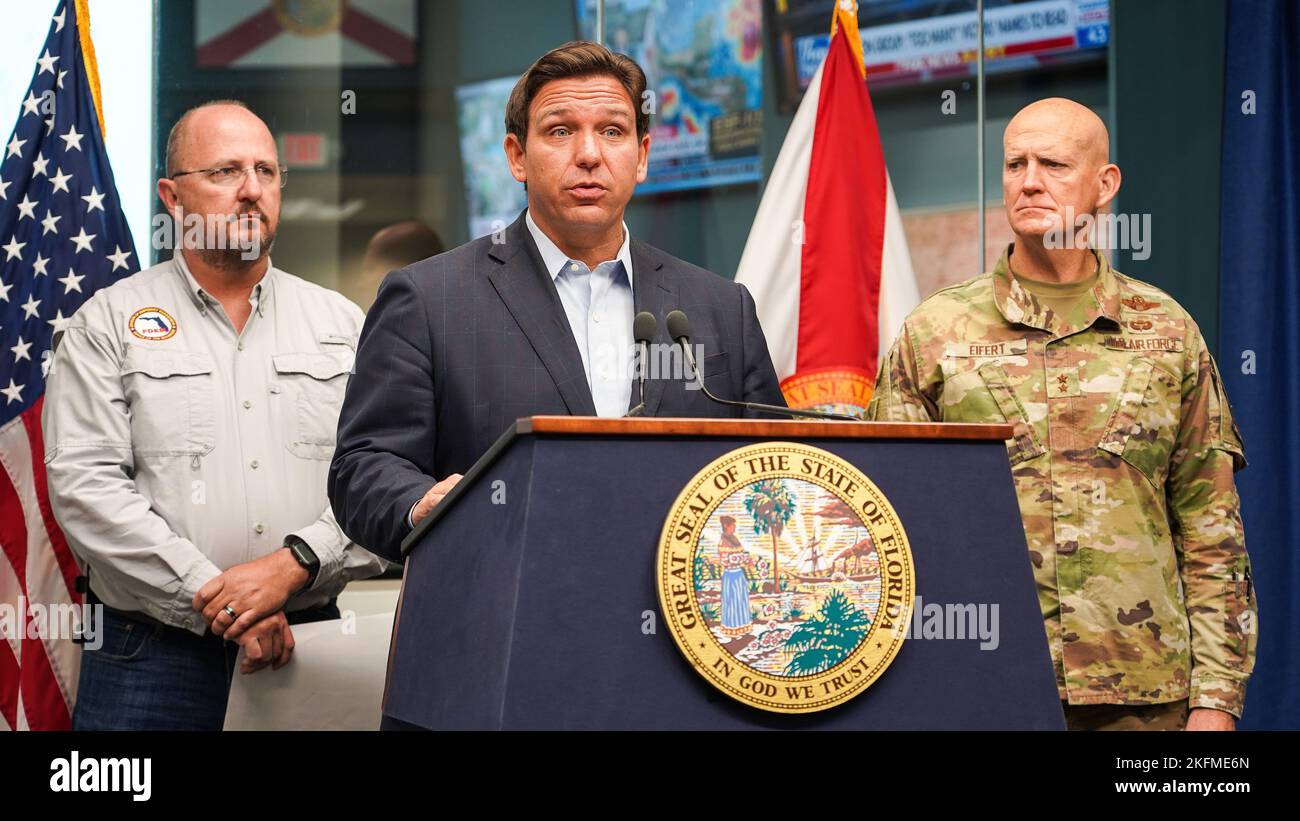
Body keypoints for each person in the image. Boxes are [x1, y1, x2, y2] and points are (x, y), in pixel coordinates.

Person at [867, 98, 1257, 731]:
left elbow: (1212, 531)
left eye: (1052, 163)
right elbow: (887, 521)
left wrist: (1215, 701)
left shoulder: (1167, 332)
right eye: (1015, 163)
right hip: (979, 684)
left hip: (1144, 695)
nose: (1029, 181)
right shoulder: (935, 332)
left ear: (1105, 185)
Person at [329, 41, 785, 560]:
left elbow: (774, 467)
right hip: (505, 613)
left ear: (641, 157)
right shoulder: (429, 300)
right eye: (560, 131)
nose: (589, 154)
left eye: (612, 131)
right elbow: (362, 467)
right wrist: (420, 503)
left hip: (686, 624)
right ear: (517, 157)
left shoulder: (721, 308)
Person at [43, 100, 385, 730]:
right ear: (173, 197)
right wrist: (223, 603)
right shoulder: (107, 324)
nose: (252, 190)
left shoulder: (342, 326)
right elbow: (87, 489)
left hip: (315, 643)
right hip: (151, 660)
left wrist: (295, 565)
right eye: (226, 172)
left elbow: (379, 480)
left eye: (267, 171)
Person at [717, 516, 752, 638]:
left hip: (739, 574)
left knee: (741, 600)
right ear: (726, 526)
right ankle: (733, 629)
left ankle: (743, 627)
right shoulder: (723, 541)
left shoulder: (734, 539)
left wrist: (747, 560)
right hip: (731, 575)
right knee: (732, 601)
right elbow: (725, 561)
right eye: (733, 525)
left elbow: (740, 555)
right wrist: (742, 559)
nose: (734, 527)